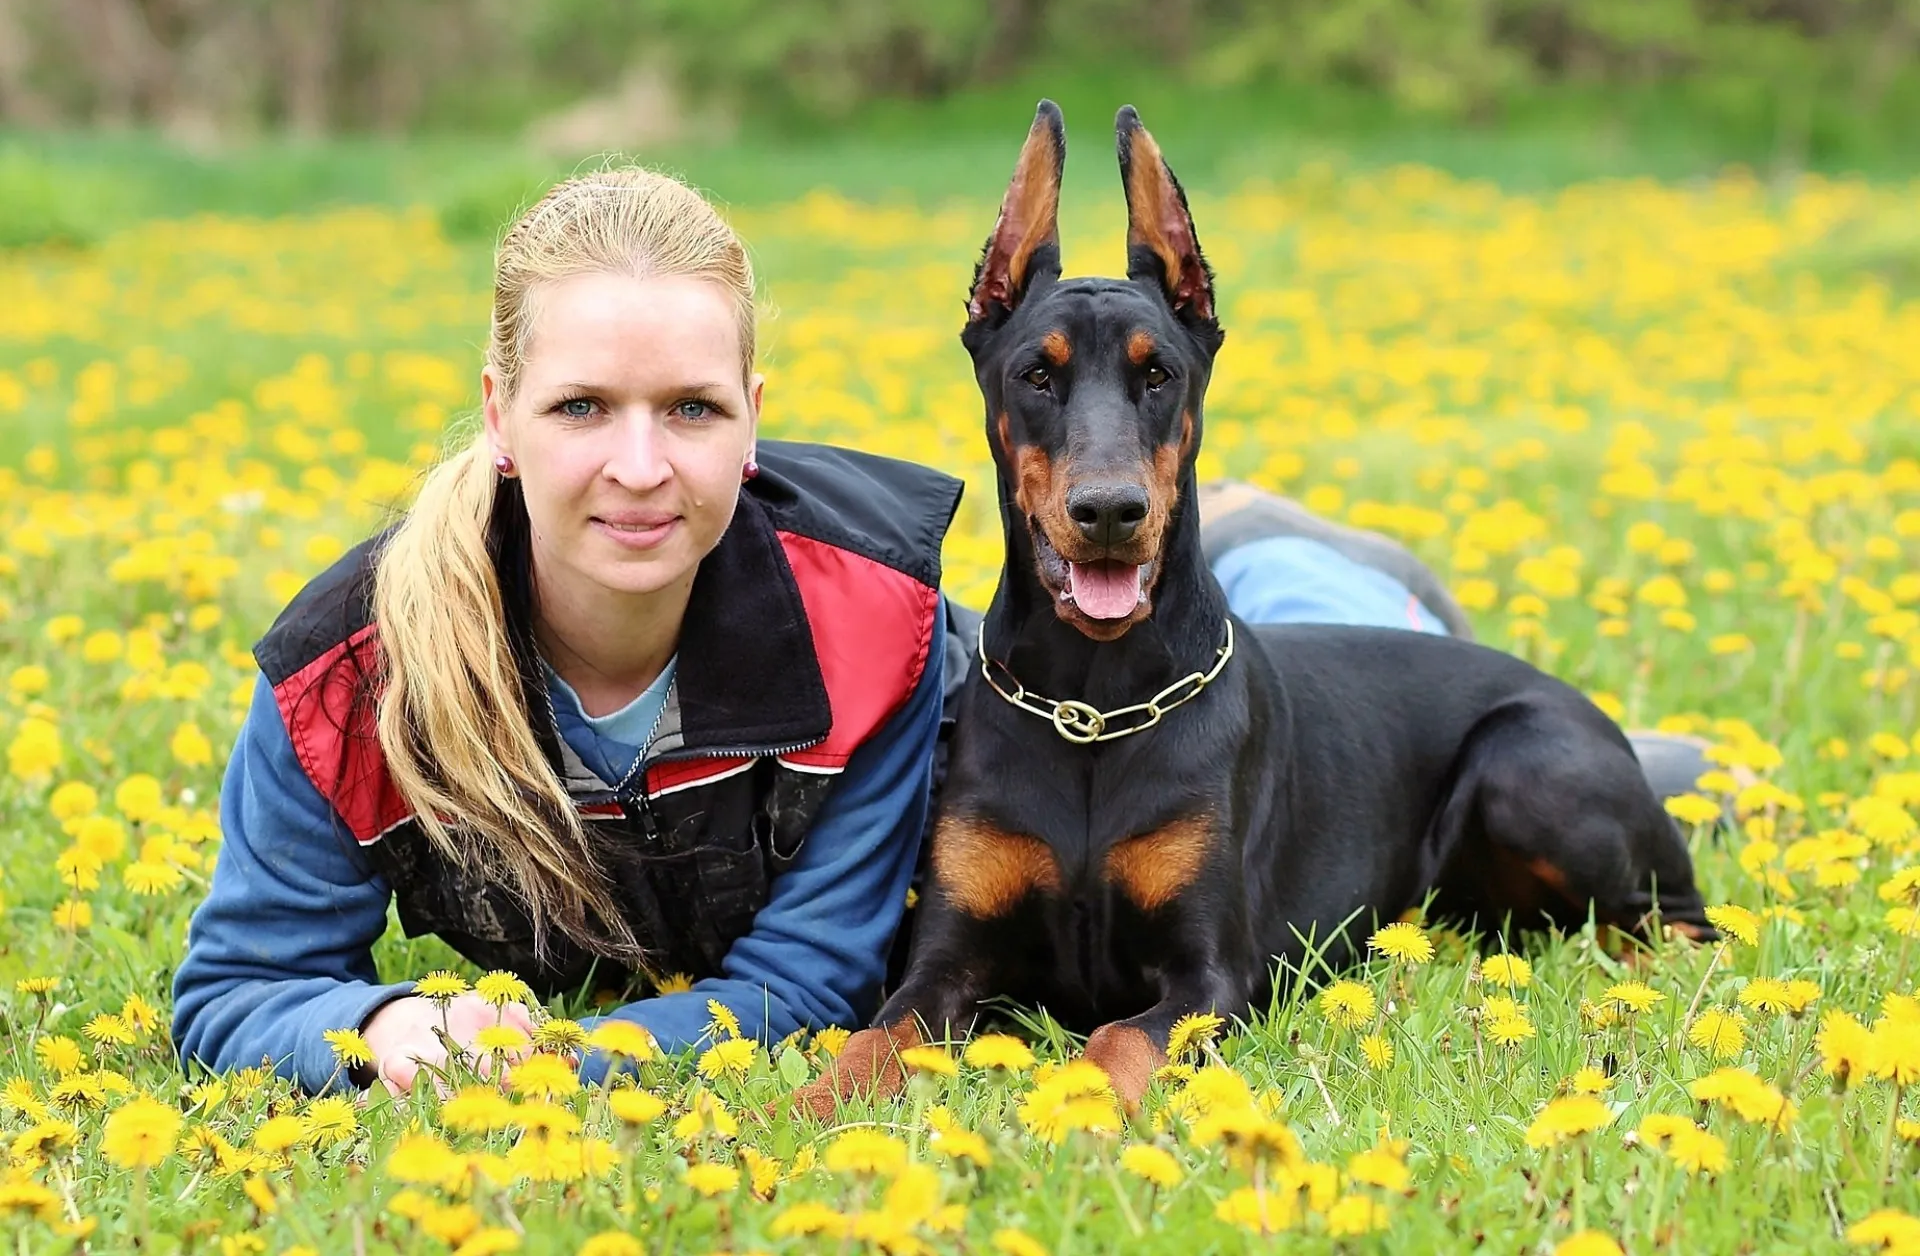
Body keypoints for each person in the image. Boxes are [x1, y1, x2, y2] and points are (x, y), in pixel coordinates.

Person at [171, 167, 1713, 1097]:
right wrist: (378, 1026)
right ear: (498, 415)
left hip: (1232, 637)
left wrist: (575, 1065)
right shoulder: (347, 677)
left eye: (691, 410)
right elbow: (232, 988)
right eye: (582, 407)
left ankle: (1292, 541)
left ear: (753, 426)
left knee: (1299, 605)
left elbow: (808, 978)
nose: (640, 465)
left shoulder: (890, 637)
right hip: (1094, 626)